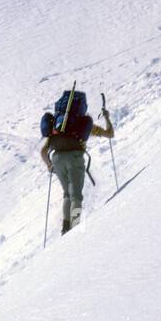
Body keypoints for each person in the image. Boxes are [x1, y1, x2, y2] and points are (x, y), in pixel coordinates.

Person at [39, 88, 113, 234]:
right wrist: (107, 117)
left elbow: (43, 152)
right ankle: (75, 229)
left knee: (67, 194)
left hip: (57, 158)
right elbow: (110, 134)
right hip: (75, 158)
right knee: (76, 196)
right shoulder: (82, 125)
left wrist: (49, 165)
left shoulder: (56, 127)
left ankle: (65, 228)